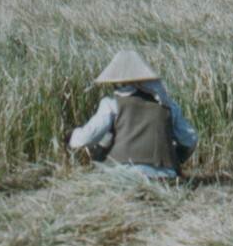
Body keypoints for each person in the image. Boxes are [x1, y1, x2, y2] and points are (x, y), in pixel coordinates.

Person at [67, 49, 198, 178]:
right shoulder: (168, 106)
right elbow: (190, 140)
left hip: (122, 174)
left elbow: (88, 137)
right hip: (164, 176)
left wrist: (71, 136)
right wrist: (175, 159)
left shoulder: (111, 104)